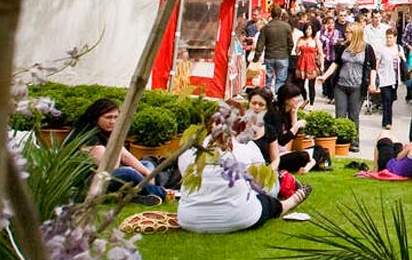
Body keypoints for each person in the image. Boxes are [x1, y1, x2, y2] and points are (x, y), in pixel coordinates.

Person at [176, 109, 310, 232]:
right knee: (266, 201)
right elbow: (262, 183)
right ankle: (287, 204)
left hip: (190, 219)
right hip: (238, 217)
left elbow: (185, 178)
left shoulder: (189, 149)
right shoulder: (245, 146)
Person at [74, 98, 167, 203]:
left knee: (146, 164)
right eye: (108, 117)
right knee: (127, 172)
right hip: (92, 184)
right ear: (96, 119)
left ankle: (134, 195)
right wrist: (114, 144)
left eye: (116, 117)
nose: (113, 121)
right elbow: (111, 170)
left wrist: (147, 174)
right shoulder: (89, 138)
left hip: (109, 178)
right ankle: (162, 193)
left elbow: (125, 155)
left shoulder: (105, 132)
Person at [320, 22, 374, 144]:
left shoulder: (367, 48)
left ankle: (354, 142)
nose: (346, 34)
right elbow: (336, 63)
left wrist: (372, 84)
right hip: (341, 86)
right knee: (340, 115)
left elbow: (373, 67)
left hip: (357, 86)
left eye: (348, 32)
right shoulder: (342, 47)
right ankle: (340, 141)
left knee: (353, 116)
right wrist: (325, 76)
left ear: (356, 34)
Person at [369, 25, 400, 130]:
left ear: (395, 38)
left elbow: (403, 62)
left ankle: (386, 119)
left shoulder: (398, 48)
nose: (389, 39)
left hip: (395, 79)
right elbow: (376, 63)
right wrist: (375, 77)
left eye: (391, 37)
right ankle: (387, 122)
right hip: (384, 78)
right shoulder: (381, 49)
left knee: (391, 99)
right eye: (387, 37)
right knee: (386, 99)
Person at [257, 9, 294, 88]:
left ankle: (267, 95)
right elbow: (291, 43)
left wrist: (256, 57)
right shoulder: (286, 26)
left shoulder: (266, 27)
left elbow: (260, 44)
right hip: (282, 56)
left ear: (271, 14)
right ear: (280, 15)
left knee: (268, 79)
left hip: (269, 56)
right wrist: (288, 52)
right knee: (280, 80)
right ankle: (278, 96)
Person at [294, 24, 322, 105]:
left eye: (309, 29)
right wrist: (298, 46)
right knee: (300, 84)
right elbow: (297, 52)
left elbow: (320, 52)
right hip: (302, 62)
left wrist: (322, 64)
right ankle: (305, 98)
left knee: (311, 85)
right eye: (306, 29)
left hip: (311, 63)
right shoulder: (301, 39)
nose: (308, 31)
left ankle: (311, 104)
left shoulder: (315, 39)